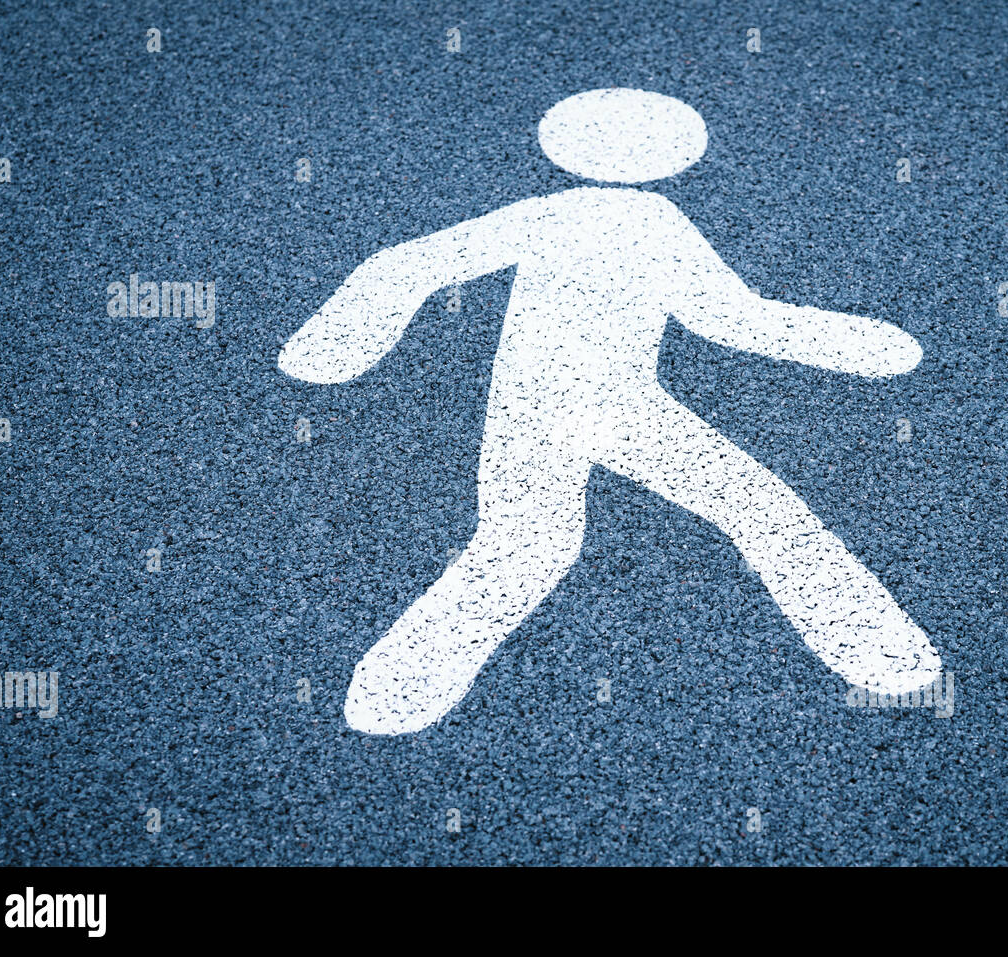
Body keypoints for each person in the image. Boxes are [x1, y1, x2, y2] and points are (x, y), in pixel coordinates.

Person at [279, 88, 942, 735]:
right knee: (752, 504)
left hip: (544, 406)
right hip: (614, 404)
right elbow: (733, 318)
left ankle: (397, 683)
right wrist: (861, 346)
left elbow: (413, 263)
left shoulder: (548, 212)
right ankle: (874, 645)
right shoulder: (653, 221)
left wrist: (342, 342)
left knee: (527, 542)